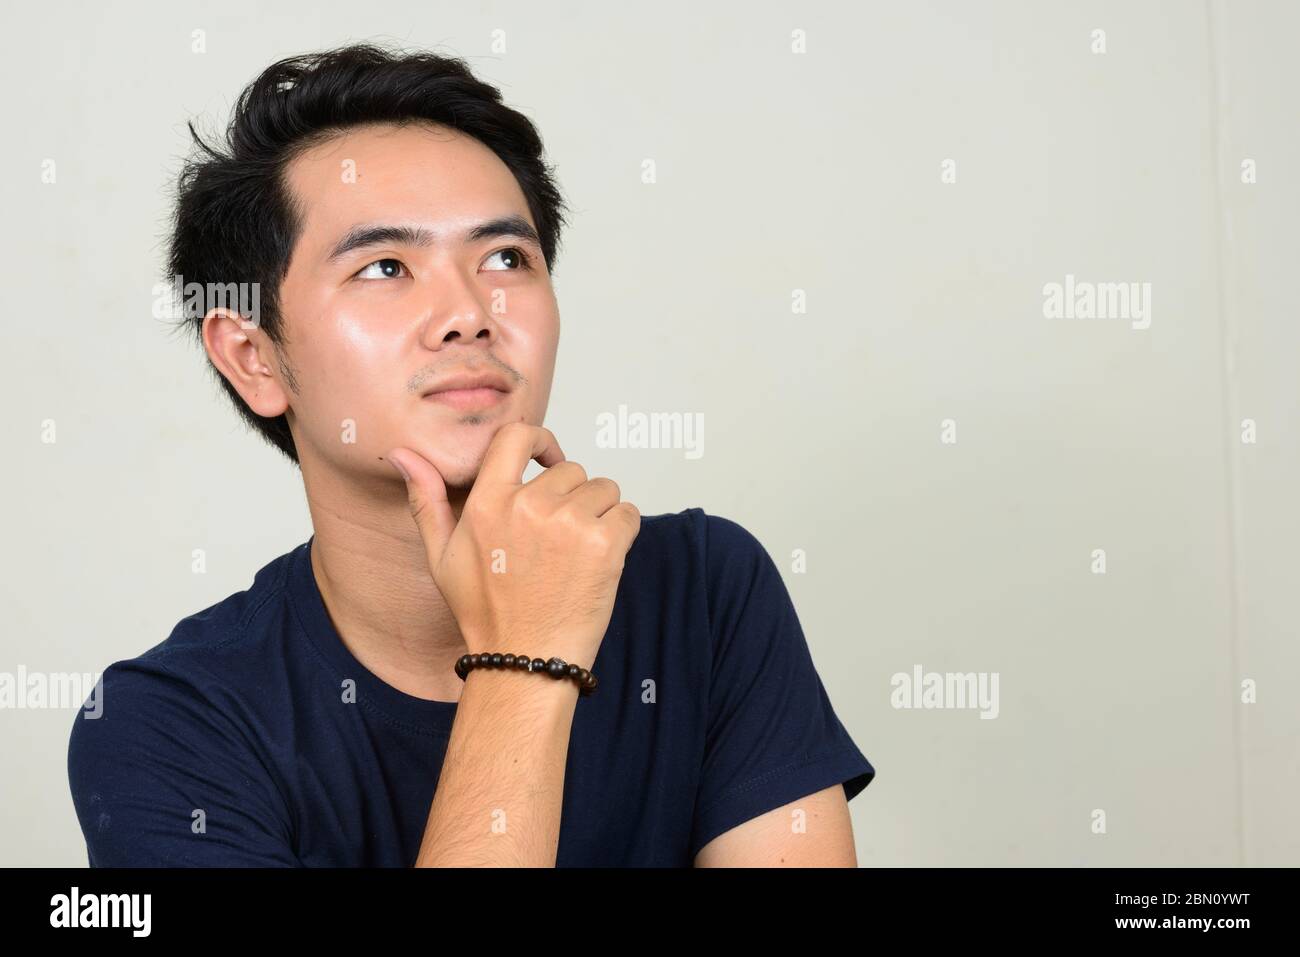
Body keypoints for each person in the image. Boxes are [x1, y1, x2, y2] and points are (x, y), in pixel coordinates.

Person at [67, 42, 875, 867]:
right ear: (254, 357)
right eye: (385, 266)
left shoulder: (702, 591)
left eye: (504, 259)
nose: (467, 313)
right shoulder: (170, 723)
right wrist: (526, 663)